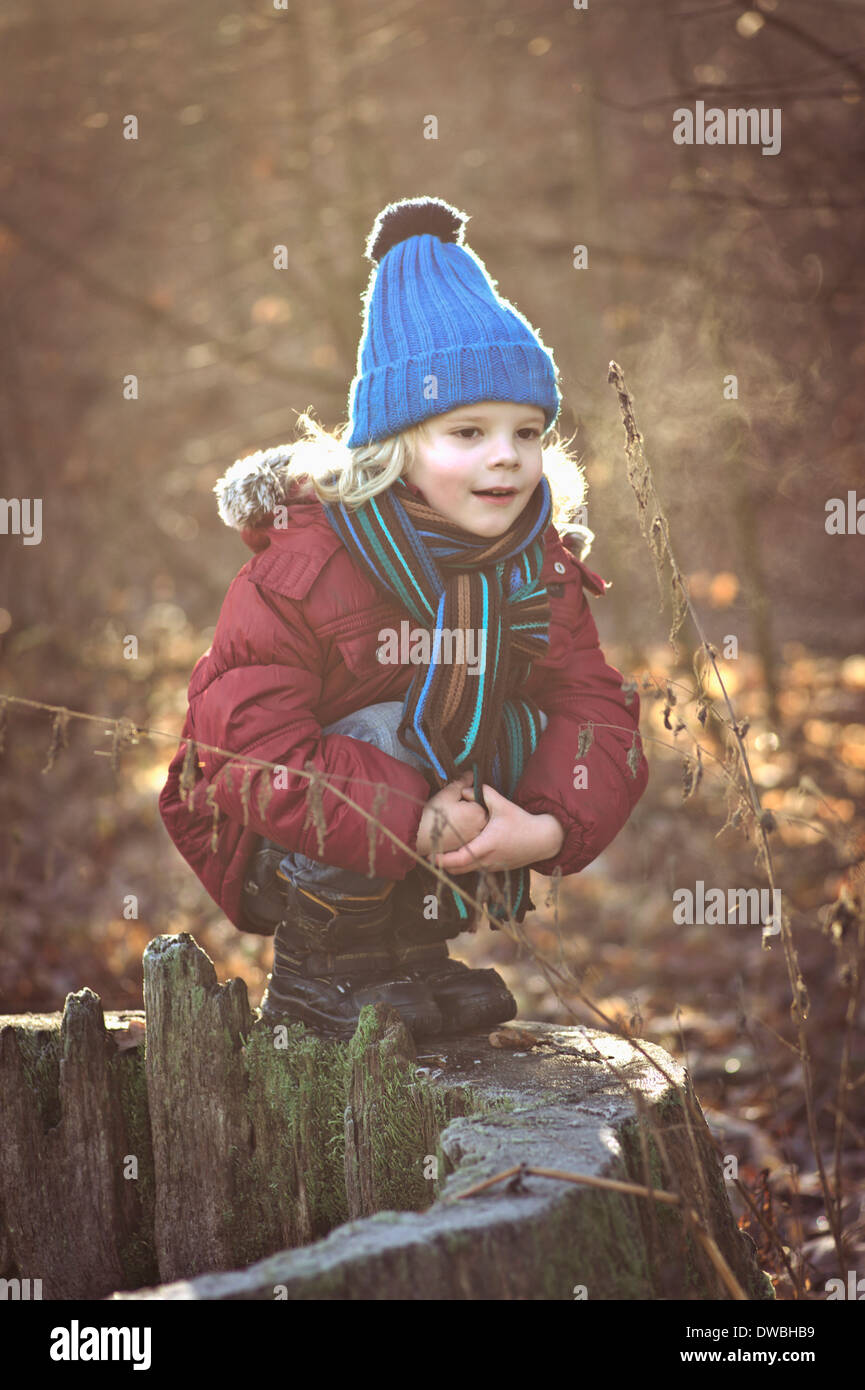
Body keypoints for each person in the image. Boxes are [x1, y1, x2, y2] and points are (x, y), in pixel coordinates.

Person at [159, 195, 649, 1041]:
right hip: (271, 830)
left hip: (431, 828)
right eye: (468, 430)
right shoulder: (308, 561)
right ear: (394, 447)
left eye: (526, 432)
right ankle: (324, 971)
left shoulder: (539, 570)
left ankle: (411, 958)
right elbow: (242, 742)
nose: (506, 455)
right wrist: (412, 819)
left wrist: (540, 825)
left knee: (507, 721)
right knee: (396, 726)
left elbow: (593, 710)